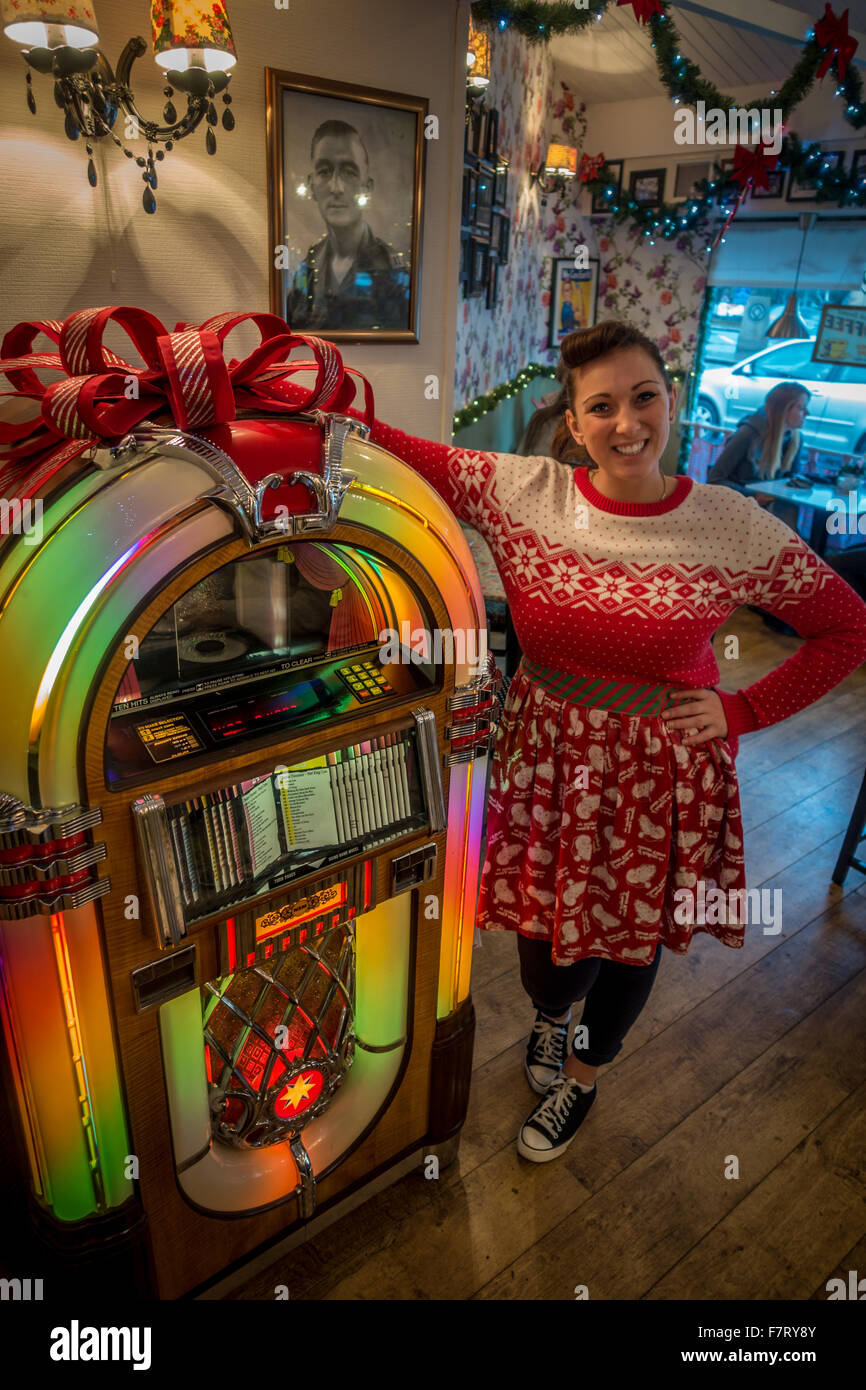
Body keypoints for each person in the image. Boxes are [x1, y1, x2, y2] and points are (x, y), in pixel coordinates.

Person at [354, 320, 866, 1163]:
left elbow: (844, 628)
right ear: (573, 420)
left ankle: (586, 1074)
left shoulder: (729, 525)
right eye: (602, 407)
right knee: (547, 940)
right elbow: (401, 451)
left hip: (661, 773)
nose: (627, 423)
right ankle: (552, 1020)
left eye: (644, 398)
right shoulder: (525, 493)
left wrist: (740, 714)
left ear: (672, 401)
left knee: (630, 936)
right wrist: (304, 399)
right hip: (547, 759)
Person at [286, 119, 409, 332]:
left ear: (367, 188)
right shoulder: (306, 269)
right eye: (324, 171)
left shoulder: (393, 271)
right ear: (311, 185)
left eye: (349, 172)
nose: (336, 187)